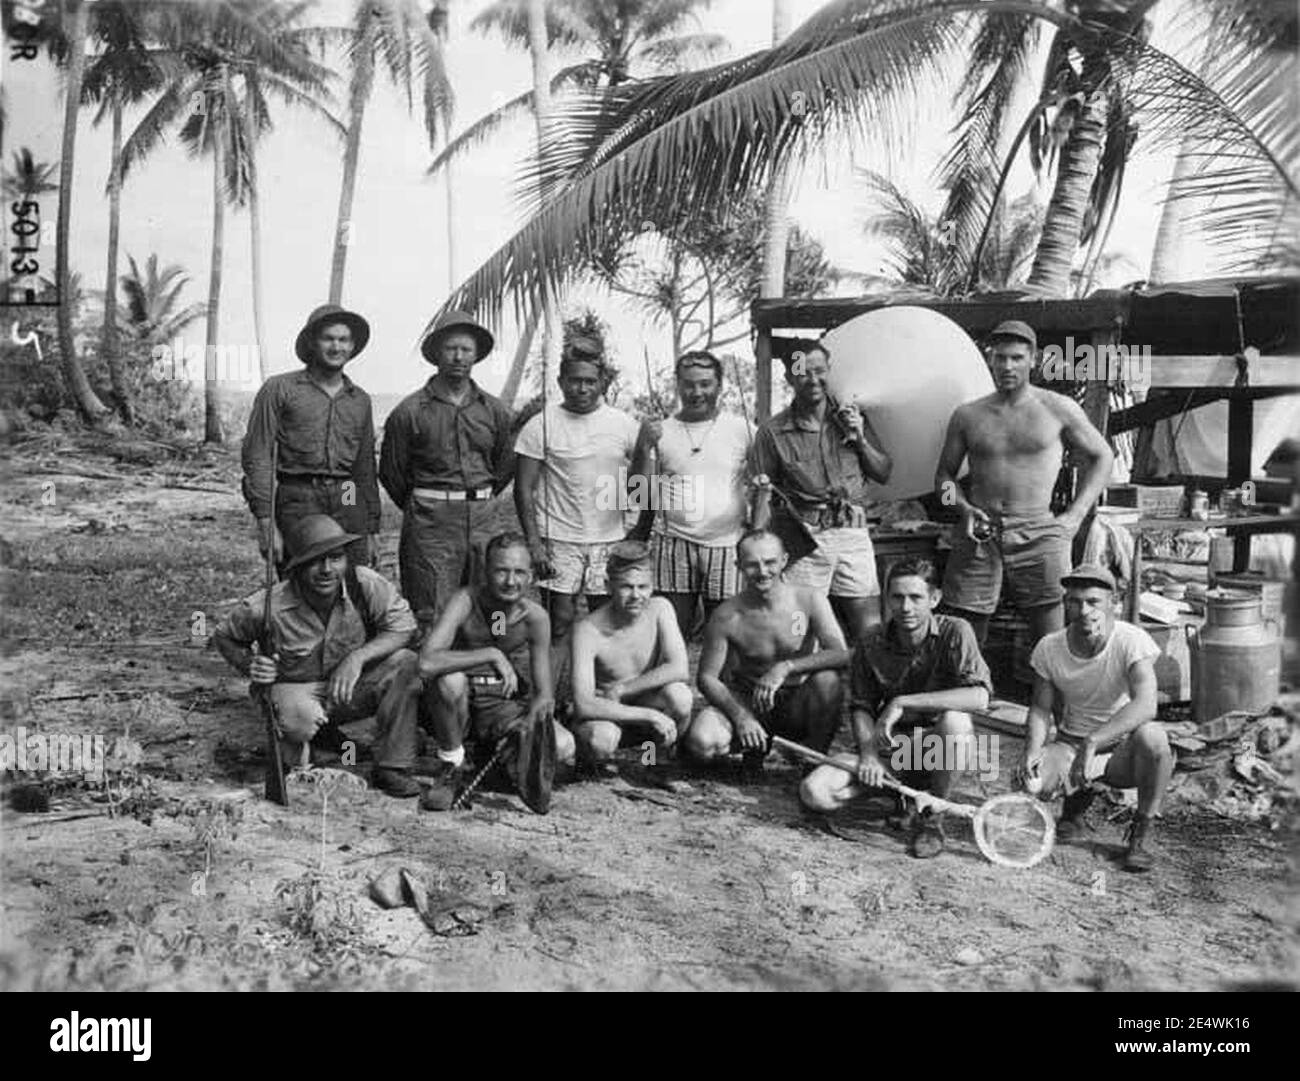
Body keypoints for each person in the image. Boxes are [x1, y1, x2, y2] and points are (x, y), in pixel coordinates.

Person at [211, 514, 425, 798]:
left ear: (346, 559)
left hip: (351, 685)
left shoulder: (365, 585)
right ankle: (307, 752)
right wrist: (249, 664)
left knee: (407, 663)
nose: (326, 569)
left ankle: (392, 765)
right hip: (297, 691)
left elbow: (403, 628)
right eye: (315, 560)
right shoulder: (266, 606)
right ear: (297, 568)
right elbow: (224, 636)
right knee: (298, 721)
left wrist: (357, 658)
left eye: (335, 558)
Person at [935, 319, 1114, 650]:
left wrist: (1075, 516)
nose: (1007, 366)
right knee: (965, 635)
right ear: (990, 359)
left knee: (1053, 638)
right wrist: (962, 508)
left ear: (1033, 359)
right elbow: (944, 478)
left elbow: (1103, 456)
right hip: (980, 531)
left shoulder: (1057, 408)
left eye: (1016, 358)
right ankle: (969, 697)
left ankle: (1052, 703)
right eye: (1000, 357)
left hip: (1039, 530)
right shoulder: (968, 415)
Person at [799, 558, 992, 858]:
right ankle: (896, 792)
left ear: (935, 598)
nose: (906, 607)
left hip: (936, 750)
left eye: (916, 597)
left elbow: (980, 697)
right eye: (897, 597)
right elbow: (860, 706)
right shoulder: (871, 640)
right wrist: (868, 756)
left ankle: (933, 816)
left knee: (957, 722)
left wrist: (902, 703)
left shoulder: (956, 631)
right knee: (815, 792)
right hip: (891, 750)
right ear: (886, 599)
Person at [1012, 564, 1171, 872]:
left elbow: (1147, 704)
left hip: (1123, 748)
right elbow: (1041, 708)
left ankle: (1139, 836)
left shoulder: (1131, 639)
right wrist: (1033, 750)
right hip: (1072, 743)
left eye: (1094, 601)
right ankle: (1073, 813)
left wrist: (1094, 741)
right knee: (1031, 783)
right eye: (1074, 601)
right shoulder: (1050, 646)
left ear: (1113, 602)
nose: (1084, 610)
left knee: (1154, 738)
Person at [414, 532, 576, 811]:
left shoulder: (535, 617)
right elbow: (426, 662)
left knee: (563, 745)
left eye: (519, 572)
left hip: (501, 705)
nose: (510, 581)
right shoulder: (466, 599)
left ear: (531, 576)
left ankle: (495, 762)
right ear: (486, 572)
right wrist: (491, 654)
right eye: (501, 571)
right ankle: (452, 764)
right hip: (458, 703)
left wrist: (530, 724)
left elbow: (544, 694)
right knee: (449, 681)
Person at [379, 311, 515, 626]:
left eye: (466, 349)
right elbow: (391, 473)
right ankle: (431, 668)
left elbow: (505, 464)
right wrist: (426, 502)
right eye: (450, 348)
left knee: (493, 598)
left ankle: (495, 659)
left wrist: (481, 497)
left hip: (482, 517)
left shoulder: (494, 410)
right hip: (430, 523)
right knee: (431, 605)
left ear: (476, 355)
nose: (458, 356)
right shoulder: (409, 411)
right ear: (437, 354)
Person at [751, 342, 892, 641]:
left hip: (853, 533)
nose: (813, 379)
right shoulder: (772, 431)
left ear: (829, 372)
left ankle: (869, 685)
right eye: (803, 372)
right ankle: (805, 684)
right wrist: (758, 542)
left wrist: (860, 439)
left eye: (820, 371)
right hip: (805, 537)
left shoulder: (852, 417)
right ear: (789, 377)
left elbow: (883, 472)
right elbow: (763, 492)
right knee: (800, 626)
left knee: (868, 625)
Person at [514, 336, 642, 641]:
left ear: (602, 382)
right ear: (560, 381)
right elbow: (523, 489)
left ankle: (601, 682)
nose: (582, 389)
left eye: (590, 381)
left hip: (608, 538)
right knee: (559, 619)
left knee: (607, 618)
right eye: (574, 381)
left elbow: (641, 480)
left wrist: (636, 530)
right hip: (558, 538)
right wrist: (534, 542)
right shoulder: (541, 424)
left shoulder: (623, 424)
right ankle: (557, 683)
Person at [688, 529, 847, 774]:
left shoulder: (809, 600)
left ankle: (812, 760)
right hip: (751, 700)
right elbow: (707, 678)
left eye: (770, 562)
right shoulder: (727, 615)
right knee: (703, 742)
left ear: (784, 560)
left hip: (797, 702)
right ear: (738, 565)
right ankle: (748, 754)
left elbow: (841, 653)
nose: (762, 572)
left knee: (829, 681)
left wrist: (786, 667)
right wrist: (741, 717)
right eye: (752, 564)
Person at [242, 304, 381, 568]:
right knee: (303, 578)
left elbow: (364, 468)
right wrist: (265, 521)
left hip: (346, 493)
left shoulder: (359, 399)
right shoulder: (280, 389)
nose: (336, 347)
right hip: (298, 495)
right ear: (312, 343)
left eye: (344, 340)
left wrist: (370, 527)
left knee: (354, 577)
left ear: (352, 347)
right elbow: (257, 454)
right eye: (328, 338)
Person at [630, 350, 751, 638]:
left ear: (720, 386)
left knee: (724, 635)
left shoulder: (742, 429)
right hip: (674, 544)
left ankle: (720, 685)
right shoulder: (661, 430)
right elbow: (639, 494)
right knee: (672, 633)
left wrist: (755, 529)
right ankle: (671, 682)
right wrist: (641, 446)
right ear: (678, 385)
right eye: (689, 384)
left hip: (727, 544)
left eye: (705, 384)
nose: (697, 392)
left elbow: (764, 482)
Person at [569, 541, 692, 774]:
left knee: (681, 697)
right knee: (601, 739)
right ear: (608, 587)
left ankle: (653, 761)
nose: (636, 595)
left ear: (652, 586)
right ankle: (590, 764)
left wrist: (624, 689)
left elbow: (679, 668)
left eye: (643, 587)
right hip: (607, 711)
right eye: (626, 587)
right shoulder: (588, 630)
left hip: (641, 699)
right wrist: (649, 715)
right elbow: (583, 704)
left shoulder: (660, 609)